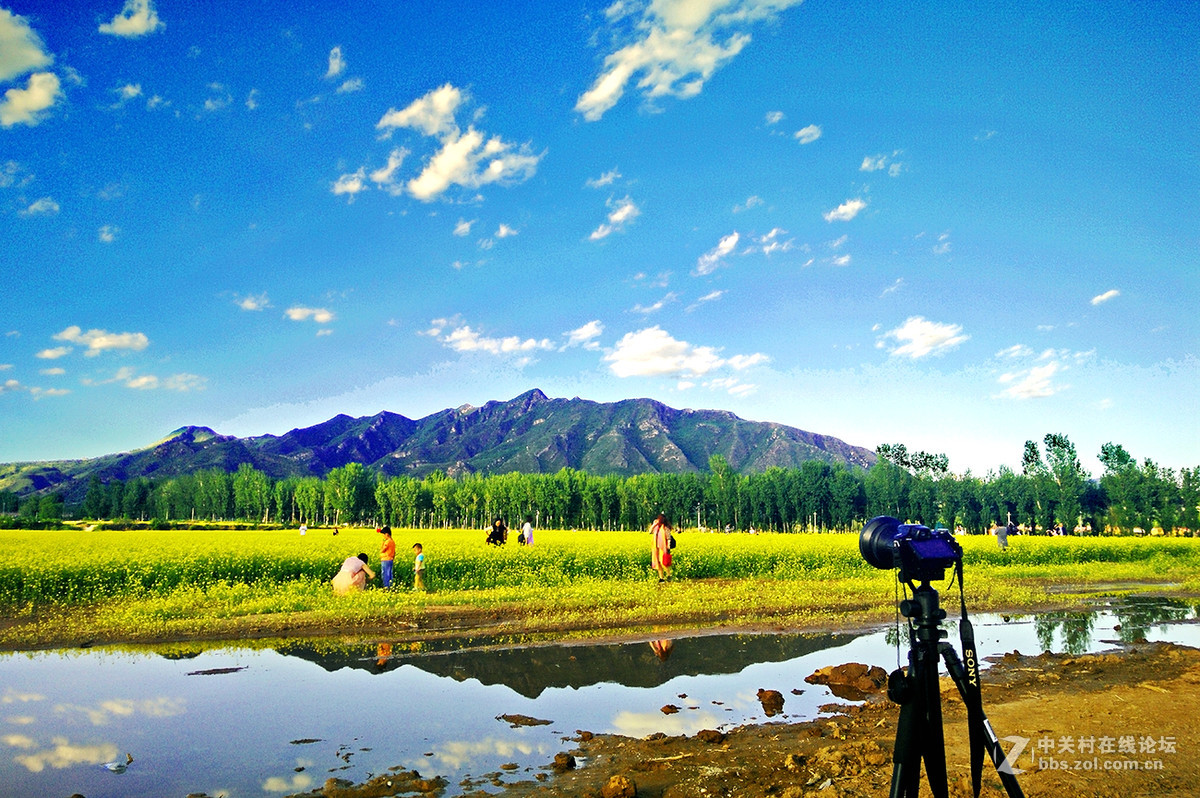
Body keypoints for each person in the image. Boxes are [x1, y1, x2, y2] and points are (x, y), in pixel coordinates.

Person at [651, 513, 674, 583]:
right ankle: (661, 578)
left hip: (663, 548)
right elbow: (650, 531)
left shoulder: (665, 528)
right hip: (656, 548)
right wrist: (654, 525)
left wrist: (668, 547)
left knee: (663, 562)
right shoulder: (656, 528)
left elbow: (669, 538)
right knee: (658, 563)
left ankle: (669, 575)